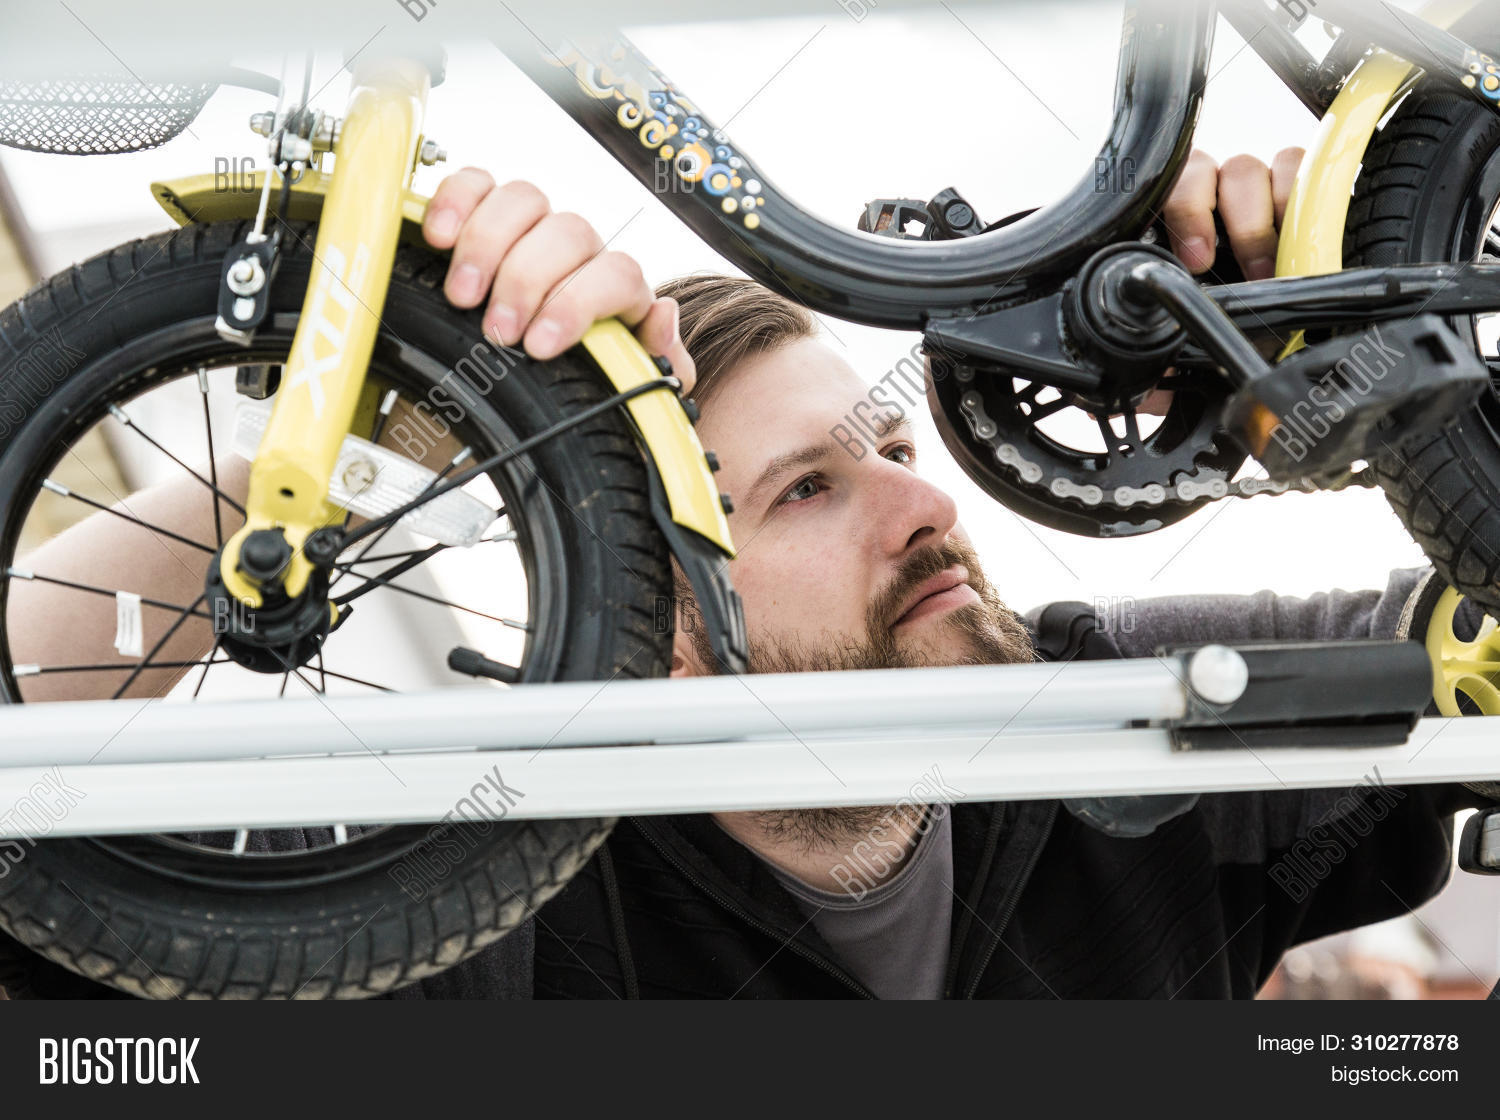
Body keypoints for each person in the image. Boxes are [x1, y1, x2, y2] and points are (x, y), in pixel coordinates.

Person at [1, 150, 1489, 999]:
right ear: (648, 622)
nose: (924, 503)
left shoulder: (1138, 719)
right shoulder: (485, 901)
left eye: (891, 445)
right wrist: (385, 406)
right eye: (808, 489)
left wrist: (1352, 349)